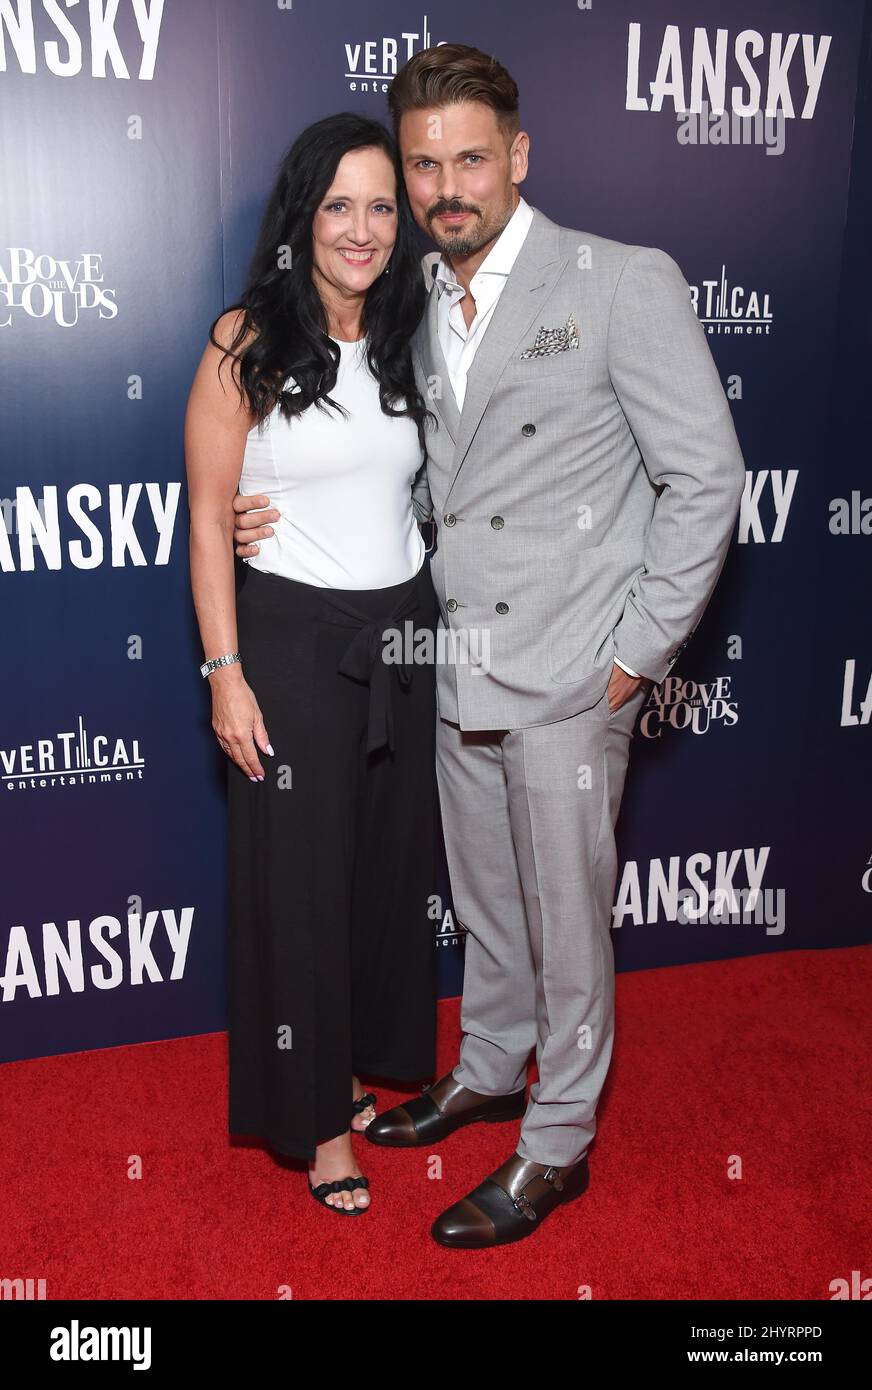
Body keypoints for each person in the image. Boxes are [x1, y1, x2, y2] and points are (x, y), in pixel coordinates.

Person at [232, 45, 746, 1248]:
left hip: (574, 668)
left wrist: (637, 652)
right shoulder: (415, 294)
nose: (444, 184)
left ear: (517, 155)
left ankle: (556, 1141)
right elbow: (386, 458)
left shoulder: (618, 280)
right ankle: (491, 1068)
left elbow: (705, 477)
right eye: (423, 164)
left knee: (568, 918)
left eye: (469, 157)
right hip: (452, 666)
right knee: (488, 905)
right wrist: (259, 502)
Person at [185, 112, 439, 1215]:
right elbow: (205, 520)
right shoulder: (247, 340)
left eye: (382, 205)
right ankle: (318, 1127)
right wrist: (223, 670)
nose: (363, 227)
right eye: (339, 204)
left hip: (404, 640)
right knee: (301, 889)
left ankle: (355, 1069)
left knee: (381, 880)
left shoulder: (410, 332)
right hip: (288, 642)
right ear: (303, 216)